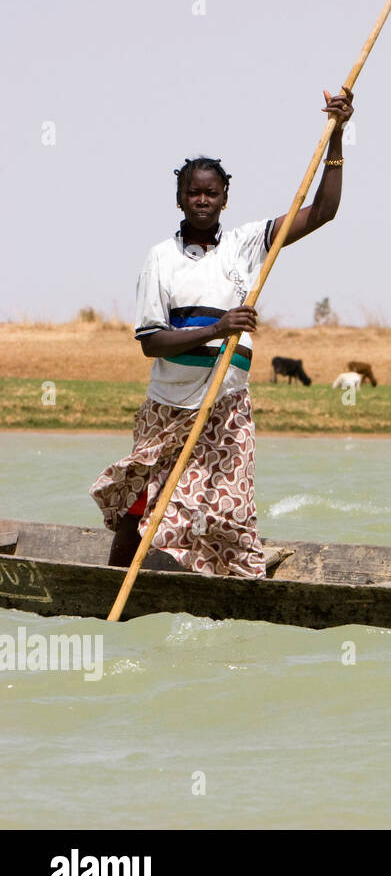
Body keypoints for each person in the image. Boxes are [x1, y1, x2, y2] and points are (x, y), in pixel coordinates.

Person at [90, 88, 355, 576]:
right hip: (171, 406)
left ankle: (218, 588)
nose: (203, 201)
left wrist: (337, 136)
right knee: (140, 500)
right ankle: (110, 584)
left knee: (226, 513)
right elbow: (151, 342)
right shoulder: (160, 259)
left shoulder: (246, 244)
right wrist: (218, 326)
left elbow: (323, 212)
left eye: (212, 193)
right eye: (194, 193)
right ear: (179, 198)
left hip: (227, 409)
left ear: (225, 198)